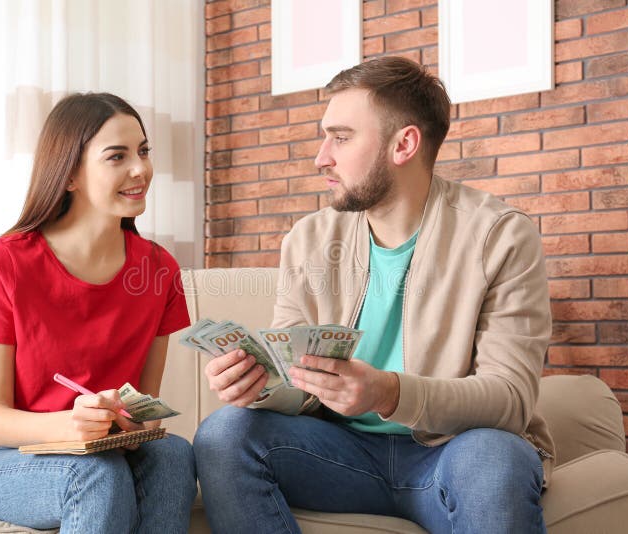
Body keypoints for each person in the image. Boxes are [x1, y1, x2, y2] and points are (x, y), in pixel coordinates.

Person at [193, 56, 553, 533]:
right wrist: (260, 387)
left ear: (404, 144)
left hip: (451, 451)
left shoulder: (500, 236)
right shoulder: (309, 239)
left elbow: (509, 399)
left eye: (340, 137)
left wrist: (388, 391)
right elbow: (296, 379)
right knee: (224, 433)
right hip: (339, 453)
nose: (322, 156)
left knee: (494, 456)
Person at [0, 93, 196, 533]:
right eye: (117, 156)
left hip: (105, 452)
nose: (140, 169)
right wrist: (71, 424)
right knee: (95, 474)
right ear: (70, 175)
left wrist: (123, 418)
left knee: (173, 454)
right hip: (6, 459)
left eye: (143, 151)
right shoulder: (5, 263)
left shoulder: (159, 271)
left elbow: (148, 410)